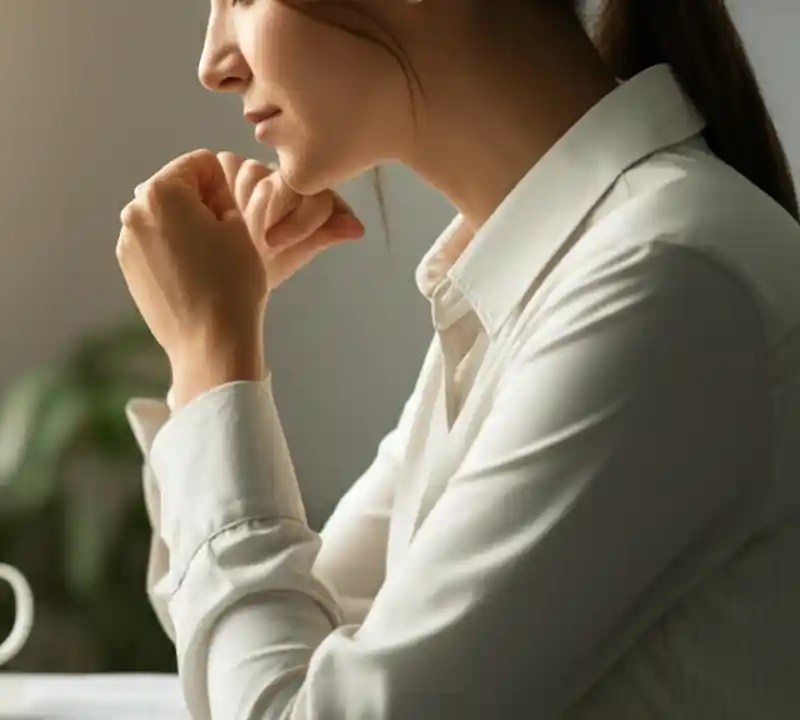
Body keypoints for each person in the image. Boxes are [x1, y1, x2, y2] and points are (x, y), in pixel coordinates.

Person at [114, 1, 800, 718]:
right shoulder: (548, 278)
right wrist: (208, 354)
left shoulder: (664, 282)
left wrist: (212, 358)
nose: (214, 62)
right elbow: (257, 656)